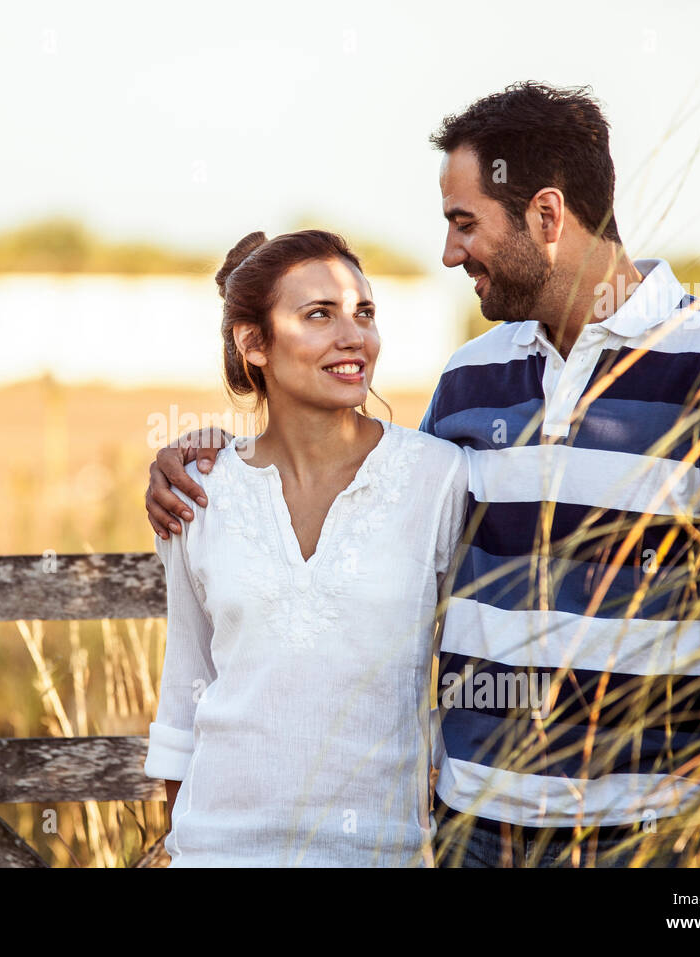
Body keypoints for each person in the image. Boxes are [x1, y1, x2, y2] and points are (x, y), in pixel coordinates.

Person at [145, 83, 700, 867]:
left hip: (658, 842)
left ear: (546, 216)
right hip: (478, 841)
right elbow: (364, 487)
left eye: (464, 223)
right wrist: (206, 457)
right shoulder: (470, 381)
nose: (450, 253)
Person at [141, 228, 468, 866]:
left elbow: (469, 672)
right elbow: (185, 691)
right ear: (253, 343)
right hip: (217, 853)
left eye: (364, 313)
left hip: (378, 852)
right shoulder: (199, 489)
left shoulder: (439, 478)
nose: (354, 337)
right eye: (318, 314)